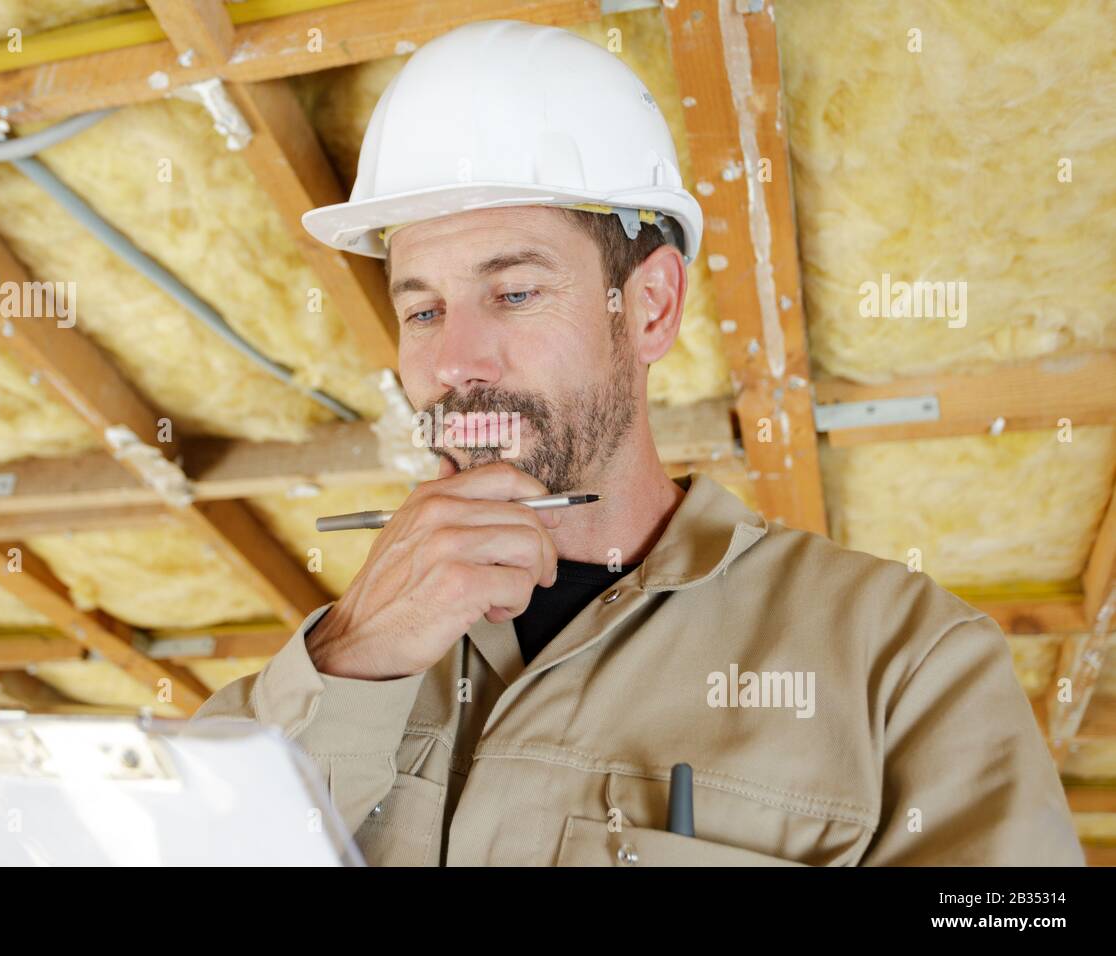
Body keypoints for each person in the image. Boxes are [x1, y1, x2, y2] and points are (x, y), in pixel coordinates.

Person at [196, 19, 1083, 866]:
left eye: (513, 293)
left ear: (650, 307)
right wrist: (348, 658)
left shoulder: (899, 660)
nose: (453, 361)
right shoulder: (351, 647)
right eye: (422, 309)